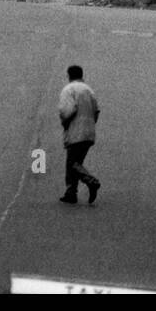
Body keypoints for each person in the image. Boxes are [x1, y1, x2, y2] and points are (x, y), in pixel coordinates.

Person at [58, 64, 101, 205]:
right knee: (77, 163)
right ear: (82, 75)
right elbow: (96, 111)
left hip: (76, 131)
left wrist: (65, 123)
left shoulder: (68, 89)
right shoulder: (89, 90)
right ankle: (71, 193)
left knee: (72, 163)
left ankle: (90, 181)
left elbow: (67, 110)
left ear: (69, 75)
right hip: (89, 132)